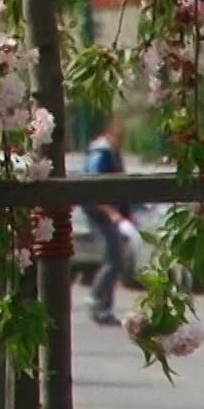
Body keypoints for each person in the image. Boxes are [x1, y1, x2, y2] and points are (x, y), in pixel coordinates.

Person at [79, 119, 134, 326]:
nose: (121, 141)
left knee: (115, 259)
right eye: (119, 136)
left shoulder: (112, 153)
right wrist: (111, 212)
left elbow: (121, 187)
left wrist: (126, 214)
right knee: (114, 260)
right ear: (110, 134)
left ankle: (105, 307)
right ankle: (96, 299)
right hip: (100, 214)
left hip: (110, 214)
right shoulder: (100, 154)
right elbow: (95, 187)